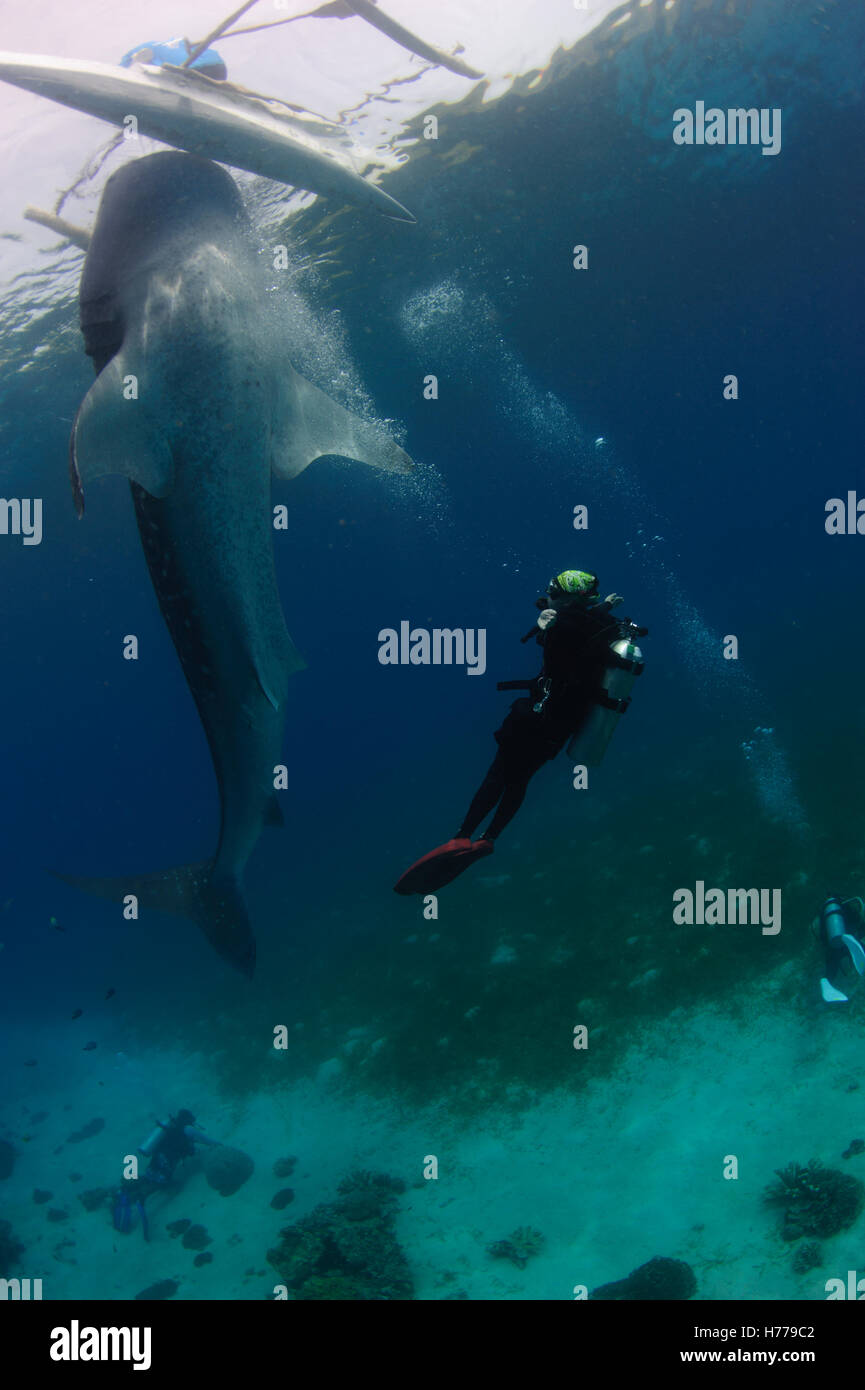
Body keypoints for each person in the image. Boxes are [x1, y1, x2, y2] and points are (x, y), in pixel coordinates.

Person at [394, 569, 645, 895]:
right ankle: (489, 839)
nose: (547, 593)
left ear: (567, 598)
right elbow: (584, 633)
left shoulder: (562, 626)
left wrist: (547, 628)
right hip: (563, 726)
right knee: (521, 779)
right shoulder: (604, 628)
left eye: (552, 590)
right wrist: (603, 608)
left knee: (498, 774)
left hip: (534, 719)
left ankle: (462, 835)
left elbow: (562, 650)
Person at [112, 1110, 221, 1240]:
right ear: (189, 1120)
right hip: (166, 1167)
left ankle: (125, 1190)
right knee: (161, 1185)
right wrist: (219, 1145)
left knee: (150, 1178)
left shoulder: (168, 1127)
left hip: (155, 1163)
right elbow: (207, 1141)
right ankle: (140, 1197)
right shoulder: (189, 1130)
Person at [813, 895, 865, 1002]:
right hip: (848, 939)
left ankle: (825, 981)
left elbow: (820, 935)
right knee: (857, 948)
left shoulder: (824, 914)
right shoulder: (845, 905)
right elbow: (856, 920)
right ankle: (850, 939)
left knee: (832, 967)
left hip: (832, 945)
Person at [120, 38, 228, 82]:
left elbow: (126, 59)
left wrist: (119, 71)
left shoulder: (148, 48)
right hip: (220, 68)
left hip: (197, 69)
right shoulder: (174, 42)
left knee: (162, 75)